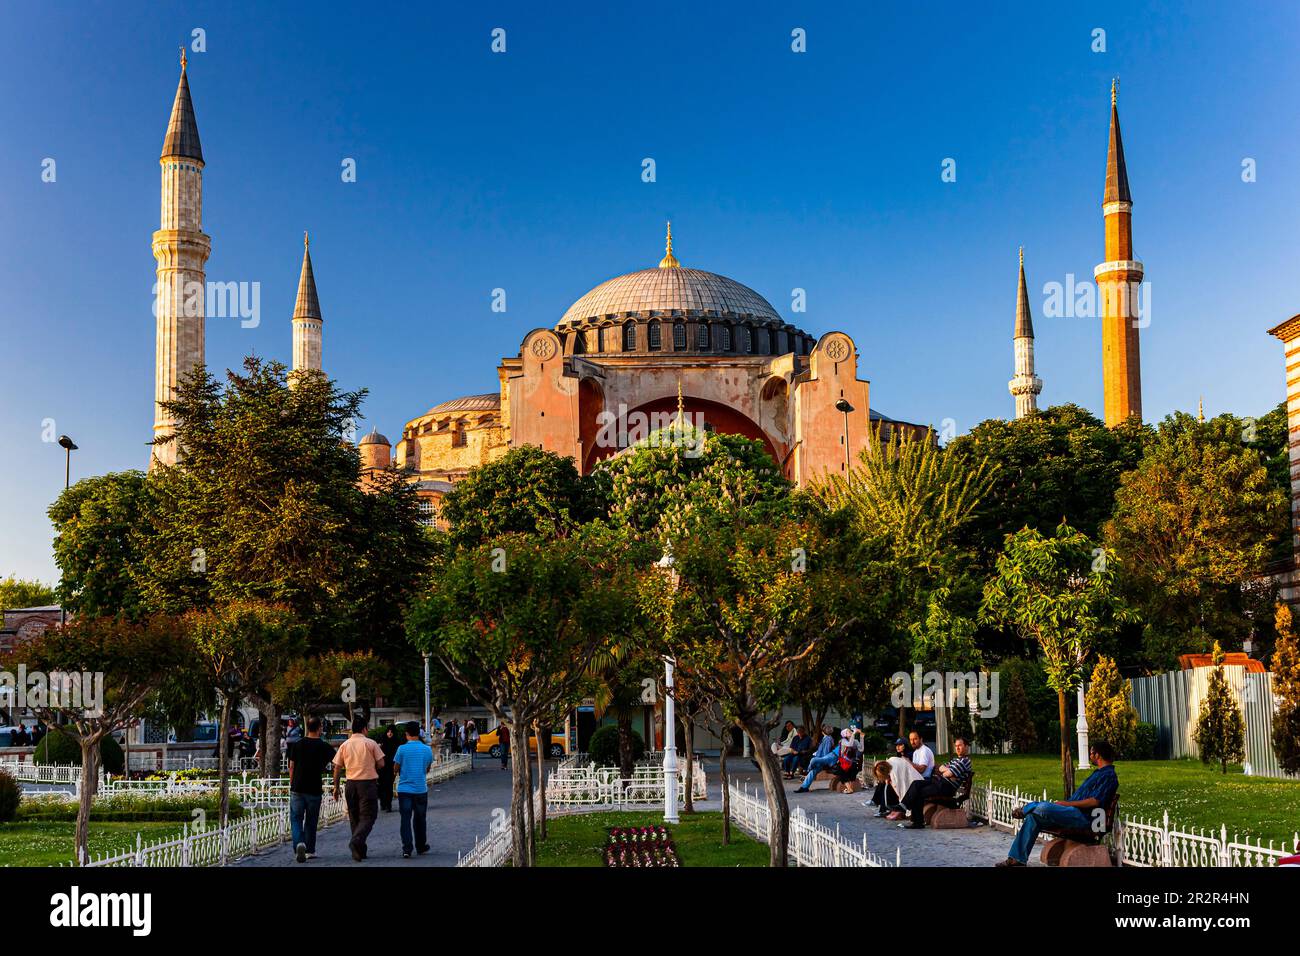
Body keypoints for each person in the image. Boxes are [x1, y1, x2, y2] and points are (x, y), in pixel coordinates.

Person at [997, 741, 1119, 867]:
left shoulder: (1109, 776)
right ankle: (1017, 859)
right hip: (1071, 813)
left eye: (1091, 753)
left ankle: (1026, 808)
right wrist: (1065, 805)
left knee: (1044, 807)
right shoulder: (1099, 773)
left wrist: (1066, 804)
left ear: (1098, 755)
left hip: (1084, 818)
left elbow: (1095, 801)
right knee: (1033, 818)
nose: (1090, 755)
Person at [331, 715, 385, 862]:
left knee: (354, 818)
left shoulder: (345, 745)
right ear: (364, 729)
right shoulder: (370, 743)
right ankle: (356, 841)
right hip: (367, 784)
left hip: (350, 784)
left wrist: (335, 787)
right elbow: (381, 764)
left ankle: (359, 850)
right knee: (368, 816)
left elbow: (337, 768)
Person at [286, 716, 335, 862]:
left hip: (298, 787)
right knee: (311, 820)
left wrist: (292, 782)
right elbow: (337, 761)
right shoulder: (323, 746)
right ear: (319, 727)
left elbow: (292, 766)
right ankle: (310, 850)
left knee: (296, 818)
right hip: (314, 787)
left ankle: (299, 844)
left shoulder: (297, 744)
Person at [898, 736, 973, 829]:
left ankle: (917, 821)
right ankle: (904, 806)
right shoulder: (955, 760)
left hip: (946, 787)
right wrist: (948, 772)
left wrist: (948, 772)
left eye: (960, 746)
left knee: (918, 792)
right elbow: (941, 768)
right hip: (940, 782)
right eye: (956, 746)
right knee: (916, 784)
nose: (957, 748)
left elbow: (947, 773)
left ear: (966, 747)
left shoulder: (965, 761)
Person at [392, 721, 434, 859]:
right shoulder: (427, 749)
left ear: (406, 734)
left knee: (405, 819)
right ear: (419, 733)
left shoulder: (401, 749)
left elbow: (395, 768)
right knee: (420, 819)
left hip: (405, 789)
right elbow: (427, 768)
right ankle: (421, 846)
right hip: (420, 789)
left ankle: (407, 849)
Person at [794, 728, 852, 793]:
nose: (851, 732)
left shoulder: (828, 739)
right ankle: (804, 787)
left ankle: (809, 767)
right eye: (848, 732)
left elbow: (826, 751)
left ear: (823, 732)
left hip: (830, 758)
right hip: (830, 757)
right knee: (813, 771)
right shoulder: (840, 740)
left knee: (813, 762)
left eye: (850, 731)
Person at [377, 723, 400, 813]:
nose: (389, 734)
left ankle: (388, 805)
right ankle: (383, 803)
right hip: (382, 768)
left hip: (391, 767)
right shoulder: (382, 742)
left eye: (391, 732)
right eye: (388, 732)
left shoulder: (397, 743)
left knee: (389, 786)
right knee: (382, 785)